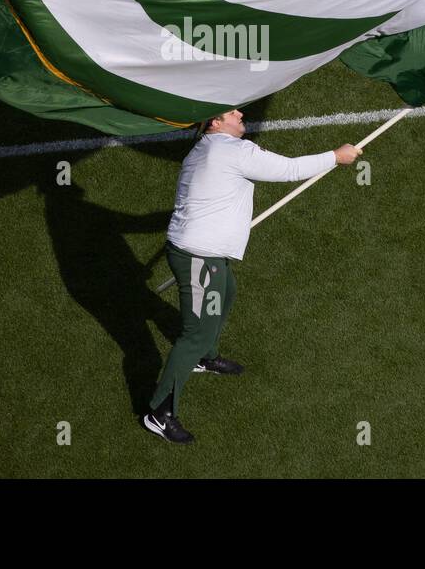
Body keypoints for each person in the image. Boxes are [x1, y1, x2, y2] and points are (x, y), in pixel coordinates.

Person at [142, 108, 362, 444]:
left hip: (202, 251)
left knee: (226, 292)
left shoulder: (203, 149)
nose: (240, 112)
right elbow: (289, 169)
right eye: (231, 112)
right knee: (194, 333)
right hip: (199, 256)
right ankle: (159, 413)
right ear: (215, 123)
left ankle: (206, 358)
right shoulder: (231, 151)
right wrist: (336, 156)